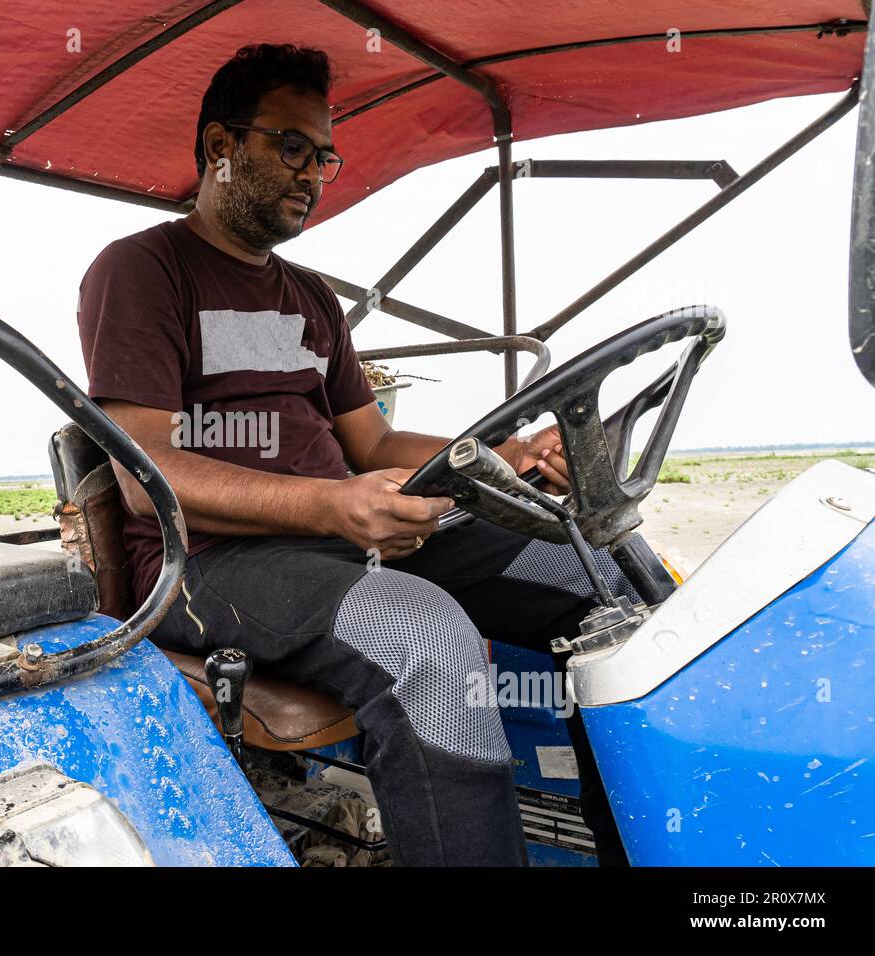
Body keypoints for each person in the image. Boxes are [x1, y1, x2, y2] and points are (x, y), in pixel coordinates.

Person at [76, 43, 637, 866]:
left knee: (598, 570)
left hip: (336, 541)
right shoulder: (143, 271)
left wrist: (502, 454)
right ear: (220, 147)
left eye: (325, 157)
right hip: (207, 564)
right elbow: (143, 476)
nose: (312, 173)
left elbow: (370, 442)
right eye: (291, 147)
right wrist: (333, 504)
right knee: (422, 634)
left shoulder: (313, 299)